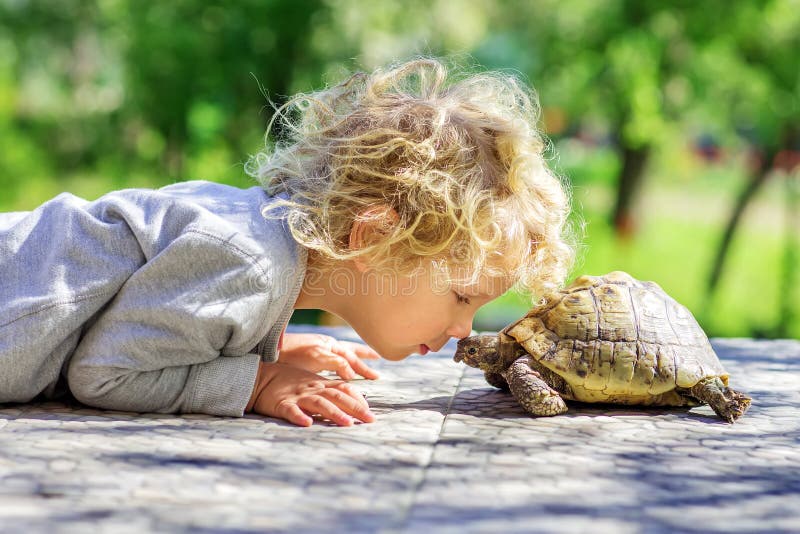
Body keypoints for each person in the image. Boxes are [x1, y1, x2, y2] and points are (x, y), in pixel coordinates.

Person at [0, 57, 575, 427]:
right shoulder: (250, 263)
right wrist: (256, 380)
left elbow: (155, 322)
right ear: (373, 237)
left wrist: (259, 347)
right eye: (462, 297)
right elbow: (105, 372)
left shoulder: (259, 235)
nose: (463, 329)